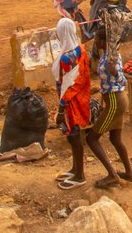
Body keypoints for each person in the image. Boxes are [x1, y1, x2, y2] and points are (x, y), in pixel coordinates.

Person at [85, 27, 132, 187]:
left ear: (104, 41)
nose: (95, 42)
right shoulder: (109, 55)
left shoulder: (111, 58)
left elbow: (121, 78)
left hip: (114, 101)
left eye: (97, 39)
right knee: (115, 139)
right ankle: (128, 173)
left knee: (91, 138)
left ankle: (112, 175)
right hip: (117, 99)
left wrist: (115, 73)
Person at [53, 17, 92, 190]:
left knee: (73, 135)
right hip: (80, 98)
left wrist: (61, 109)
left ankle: (79, 175)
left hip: (70, 102)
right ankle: (75, 168)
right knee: (73, 134)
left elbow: (68, 85)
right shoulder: (80, 49)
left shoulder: (66, 59)